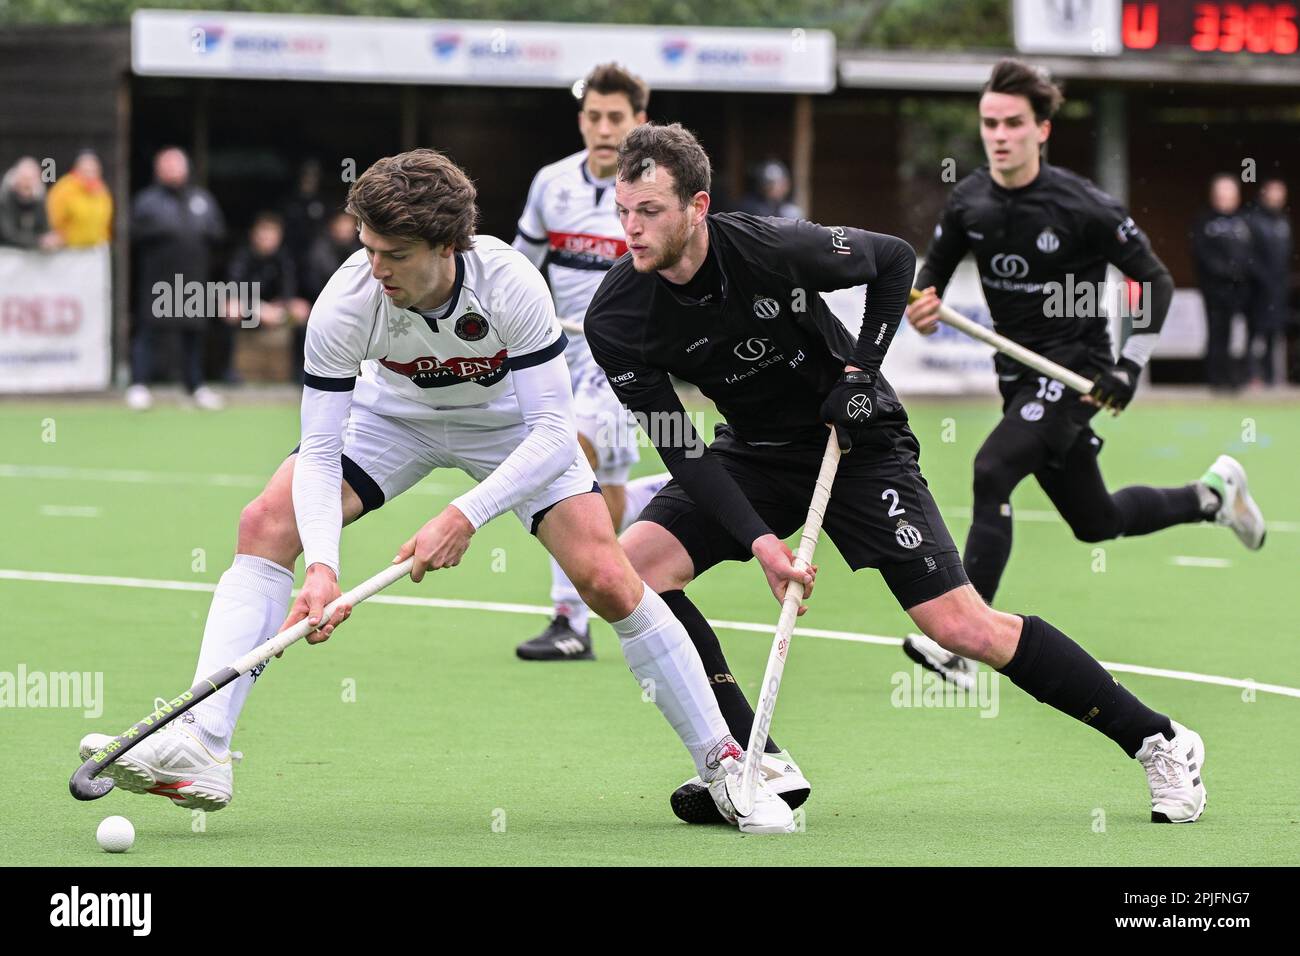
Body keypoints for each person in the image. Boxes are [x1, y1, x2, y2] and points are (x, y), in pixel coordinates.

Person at [78, 148, 794, 835]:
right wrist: (323, 566)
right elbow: (323, 450)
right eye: (368, 248)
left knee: (609, 576)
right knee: (267, 520)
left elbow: (552, 429)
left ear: (449, 245)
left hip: (509, 426)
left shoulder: (509, 282)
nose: (377, 268)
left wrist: (465, 515)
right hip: (394, 418)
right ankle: (205, 744)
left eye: (396, 255)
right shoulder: (346, 301)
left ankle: (726, 764)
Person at [584, 120, 1211, 828]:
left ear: (697, 208)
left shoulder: (769, 247)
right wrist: (761, 540)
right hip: (752, 450)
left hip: (854, 441)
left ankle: (1159, 740)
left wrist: (859, 373)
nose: (630, 230)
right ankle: (750, 760)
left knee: (959, 625)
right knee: (632, 570)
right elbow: (681, 448)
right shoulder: (618, 317)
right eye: (622, 212)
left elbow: (890, 260)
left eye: (649, 212)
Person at [903, 59, 1265, 685]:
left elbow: (1154, 280)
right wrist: (923, 310)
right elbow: (925, 286)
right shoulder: (970, 201)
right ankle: (1212, 497)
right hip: (1019, 376)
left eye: (1013, 123)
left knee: (991, 471)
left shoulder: (1081, 204)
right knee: (1095, 521)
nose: (999, 135)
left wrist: (1129, 364)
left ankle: (966, 641)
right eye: (990, 122)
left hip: (1078, 371)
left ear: (1042, 129)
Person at [510, 63, 671, 663]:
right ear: (582, 120)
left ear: (639, 123)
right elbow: (520, 267)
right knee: (606, 492)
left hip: (623, 355)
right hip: (556, 350)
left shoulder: (653, 194)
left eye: (616, 118)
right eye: (594, 117)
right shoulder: (551, 184)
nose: (604, 129)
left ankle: (569, 620)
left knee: (568, 461)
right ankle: (687, 485)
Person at [127, 147, 226, 411]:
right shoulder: (147, 201)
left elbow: (218, 231)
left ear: (186, 169)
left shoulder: (202, 199)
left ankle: (195, 386)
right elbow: (134, 232)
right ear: (158, 171)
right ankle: (139, 385)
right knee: (149, 333)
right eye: (166, 166)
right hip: (157, 281)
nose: (172, 171)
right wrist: (167, 231)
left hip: (193, 280)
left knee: (193, 336)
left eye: (176, 165)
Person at [223, 211, 311, 380]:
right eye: (263, 234)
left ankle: (300, 370)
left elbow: (288, 290)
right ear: (254, 235)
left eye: (271, 235)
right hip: (249, 311)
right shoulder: (243, 256)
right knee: (230, 310)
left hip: (276, 312)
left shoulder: (284, 259)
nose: (266, 239)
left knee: (303, 311)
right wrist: (258, 308)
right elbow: (233, 289)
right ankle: (229, 369)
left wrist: (280, 306)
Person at [1192, 173, 1254, 390]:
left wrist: (1242, 275)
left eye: (1229, 193)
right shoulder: (1205, 222)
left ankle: (1235, 377)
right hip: (1214, 289)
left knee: (1237, 335)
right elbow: (1202, 255)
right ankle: (1216, 378)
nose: (1225, 198)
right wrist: (1226, 272)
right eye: (1221, 193)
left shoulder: (1243, 222)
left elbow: (1250, 254)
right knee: (1216, 333)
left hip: (1240, 290)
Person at [1245, 177, 1292, 388]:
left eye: (1281, 192)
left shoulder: (1283, 222)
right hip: (1257, 290)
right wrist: (1263, 279)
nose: (1278, 197)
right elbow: (1249, 257)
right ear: (1264, 193)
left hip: (1278, 289)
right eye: (1273, 192)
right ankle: (1253, 376)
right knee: (1256, 333)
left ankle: (1274, 378)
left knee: (1275, 333)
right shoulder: (1253, 220)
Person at [46, 150, 113, 248]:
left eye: (94, 171)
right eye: (86, 171)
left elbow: (106, 222)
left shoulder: (102, 191)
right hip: (69, 250)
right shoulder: (64, 189)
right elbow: (52, 218)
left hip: (94, 249)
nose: (90, 175)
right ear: (77, 170)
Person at [0, 157, 62, 250]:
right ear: (16, 179)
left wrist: (51, 239)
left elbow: (45, 228)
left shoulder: (39, 200)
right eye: (24, 178)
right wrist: (38, 241)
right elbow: (8, 235)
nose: (27, 184)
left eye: (31, 179)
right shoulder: (4, 199)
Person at [736, 159, 802, 219]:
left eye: (783, 183)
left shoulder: (791, 211)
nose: (782, 187)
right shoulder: (750, 207)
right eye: (769, 184)